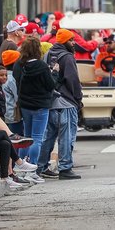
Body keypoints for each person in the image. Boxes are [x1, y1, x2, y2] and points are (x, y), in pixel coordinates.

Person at [38, 29, 83, 180]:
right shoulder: (67, 57)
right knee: (67, 136)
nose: (73, 43)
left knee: (48, 137)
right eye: (71, 40)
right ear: (65, 42)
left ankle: (41, 166)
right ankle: (65, 168)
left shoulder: (47, 54)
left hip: (50, 103)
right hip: (66, 102)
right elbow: (73, 81)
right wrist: (78, 99)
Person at [15, 36, 56, 171]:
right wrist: (54, 72)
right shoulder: (42, 66)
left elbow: (16, 80)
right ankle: (33, 166)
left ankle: (22, 165)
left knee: (27, 137)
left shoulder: (19, 65)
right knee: (37, 138)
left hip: (25, 104)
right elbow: (50, 85)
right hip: (40, 104)